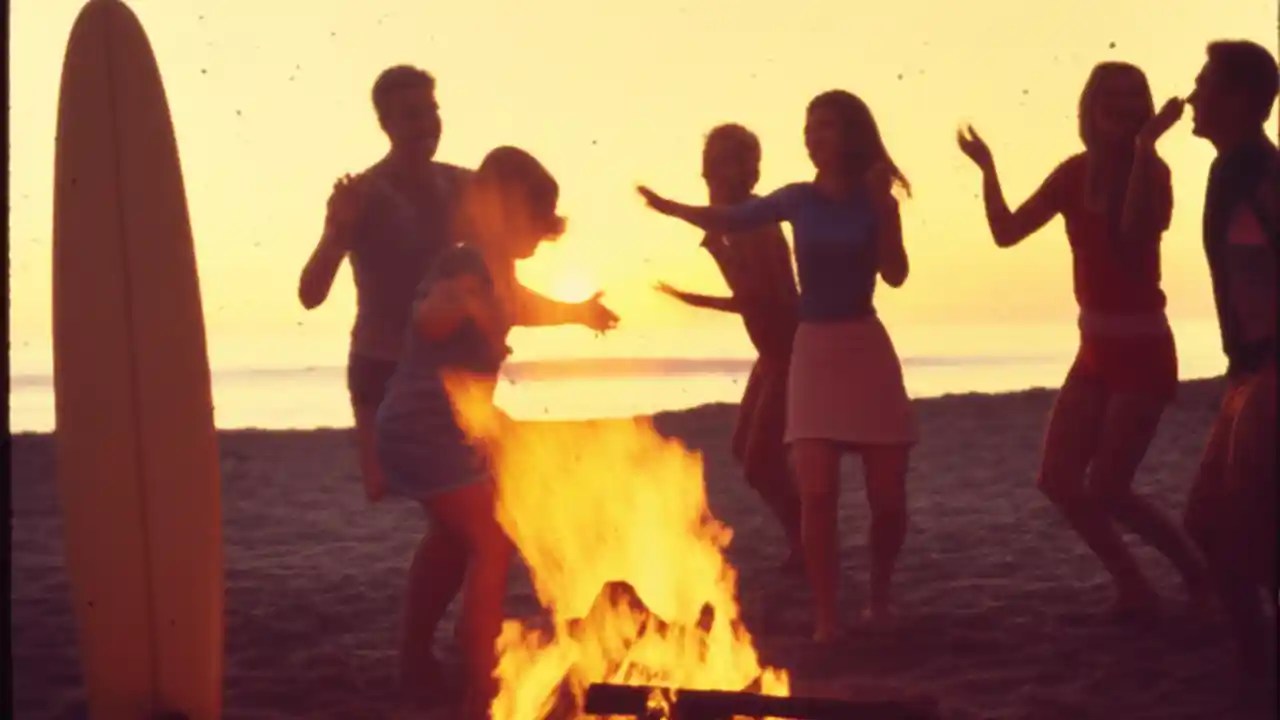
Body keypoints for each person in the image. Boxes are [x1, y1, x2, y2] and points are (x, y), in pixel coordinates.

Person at [640, 90, 917, 640]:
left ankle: (878, 599)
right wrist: (670, 208)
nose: (814, 138)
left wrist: (885, 212)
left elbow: (895, 274)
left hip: (852, 347)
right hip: (805, 351)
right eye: (809, 128)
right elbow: (729, 216)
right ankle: (825, 616)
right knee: (813, 490)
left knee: (886, 498)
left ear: (852, 136)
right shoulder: (795, 200)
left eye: (826, 127)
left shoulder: (872, 202)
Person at [956, 62, 1209, 619]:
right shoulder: (1073, 172)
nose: (1120, 107)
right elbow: (1006, 232)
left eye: (1132, 97)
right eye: (1108, 97)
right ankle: (1135, 587)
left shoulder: (1154, 172)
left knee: (1111, 489)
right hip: (1093, 351)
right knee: (1058, 480)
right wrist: (987, 167)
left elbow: (1132, 239)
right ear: (1090, 108)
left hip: (1142, 349)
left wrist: (1144, 149)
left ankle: (1198, 577)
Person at [375, 146, 617, 717]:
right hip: (424, 427)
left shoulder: (497, 273)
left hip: (451, 429)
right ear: (501, 210)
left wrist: (578, 312)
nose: (540, 233)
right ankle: (479, 682)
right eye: (534, 218)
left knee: (451, 539)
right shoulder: (463, 266)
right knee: (490, 538)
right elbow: (428, 319)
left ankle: (415, 659)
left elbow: (522, 305)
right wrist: (459, 304)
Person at [297, 65, 469, 502]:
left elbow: (522, 211)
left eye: (431, 111)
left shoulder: (458, 184)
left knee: (457, 498)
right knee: (395, 496)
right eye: (411, 115)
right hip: (382, 371)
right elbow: (310, 294)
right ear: (385, 124)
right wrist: (336, 232)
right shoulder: (364, 195)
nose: (426, 125)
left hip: (443, 372)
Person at [655, 123, 803, 568]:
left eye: (718, 169)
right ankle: (804, 534)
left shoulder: (754, 222)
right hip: (771, 354)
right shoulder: (738, 223)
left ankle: (806, 540)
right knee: (746, 450)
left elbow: (768, 298)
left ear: (746, 173)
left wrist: (696, 297)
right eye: (707, 169)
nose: (708, 179)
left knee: (759, 461)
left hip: (789, 352)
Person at [1179, 39, 1278, 692]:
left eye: (1205, 84)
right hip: (1247, 371)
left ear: (1240, 99)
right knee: (1211, 527)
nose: (1192, 96)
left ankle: (1258, 679)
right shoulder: (1228, 170)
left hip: (1272, 370)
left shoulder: (1263, 175)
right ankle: (1256, 672)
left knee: (1240, 535)